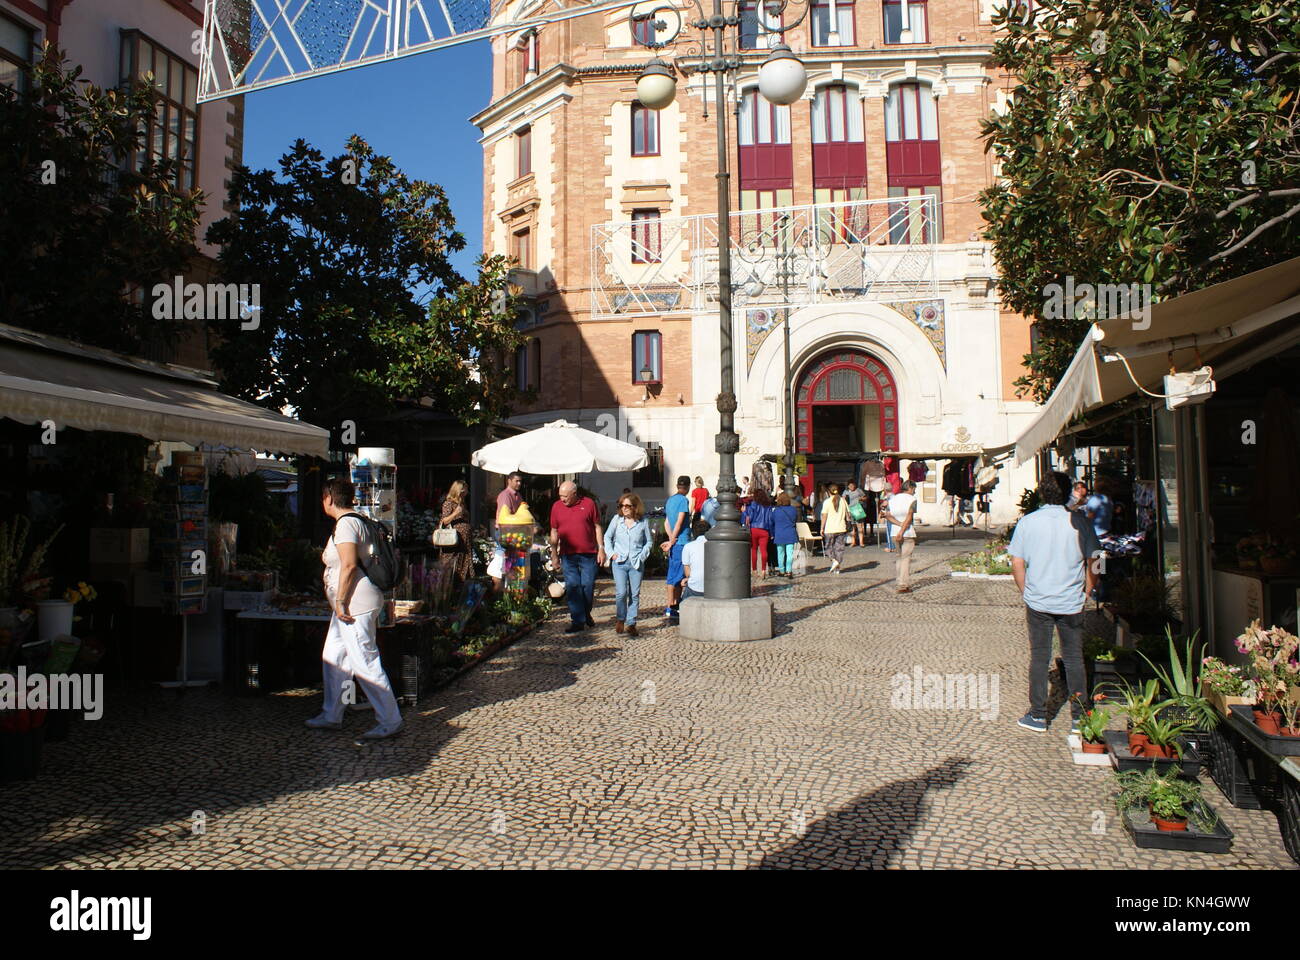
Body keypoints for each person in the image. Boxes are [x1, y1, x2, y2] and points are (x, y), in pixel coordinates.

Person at [306, 478, 403, 740]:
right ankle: (331, 713)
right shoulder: (357, 521)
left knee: (364, 661)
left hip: (353, 605)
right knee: (334, 657)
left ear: (328, 498)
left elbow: (348, 565)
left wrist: (339, 601)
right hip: (352, 605)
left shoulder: (346, 524)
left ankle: (390, 719)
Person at [1008, 472, 1101, 733]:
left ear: (1041, 493)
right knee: (1073, 658)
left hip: (1038, 599)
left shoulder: (1028, 522)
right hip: (1071, 599)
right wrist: (1092, 586)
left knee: (1039, 657)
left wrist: (1025, 590)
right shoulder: (1080, 522)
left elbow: (1017, 561)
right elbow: (1097, 556)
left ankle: (1038, 715)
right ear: (1069, 493)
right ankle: (1080, 716)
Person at [549, 481, 605, 633]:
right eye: (560, 495)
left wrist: (601, 548)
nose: (562, 499)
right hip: (568, 554)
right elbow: (554, 531)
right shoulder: (556, 507)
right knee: (573, 586)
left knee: (588, 585)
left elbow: (597, 526)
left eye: (565, 496)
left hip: (589, 553)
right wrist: (554, 553)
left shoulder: (589, 504)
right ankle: (578, 621)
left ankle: (585, 613)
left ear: (575, 494)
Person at [603, 492, 652, 637]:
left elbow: (648, 542)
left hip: (636, 563)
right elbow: (607, 536)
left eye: (627, 506)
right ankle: (620, 618)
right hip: (619, 562)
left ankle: (631, 623)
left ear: (635, 507)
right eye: (622, 505)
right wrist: (611, 553)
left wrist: (642, 556)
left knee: (634, 594)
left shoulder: (643, 522)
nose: (624, 508)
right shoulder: (617, 520)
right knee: (621, 593)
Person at [496, 472, 535, 596]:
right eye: (516, 481)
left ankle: (518, 593)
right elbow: (506, 518)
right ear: (509, 481)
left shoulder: (518, 496)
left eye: (520, 481)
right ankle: (508, 594)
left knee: (519, 566)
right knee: (508, 566)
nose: (519, 484)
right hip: (507, 534)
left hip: (517, 535)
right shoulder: (505, 495)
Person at [662, 475, 693, 622]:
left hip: (675, 542)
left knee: (676, 574)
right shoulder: (683, 500)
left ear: (677, 485)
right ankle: (671, 605)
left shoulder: (670, 500)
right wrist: (673, 540)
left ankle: (676, 604)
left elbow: (667, 522)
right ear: (687, 486)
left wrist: (669, 538)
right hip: (682, 542)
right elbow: (680, 522)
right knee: (676, 575)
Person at [435, 479, 472, 586]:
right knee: (451, 565)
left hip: (464, 542)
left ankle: (460, 586)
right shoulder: (448, 503)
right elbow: (444, 521)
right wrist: (455, 513)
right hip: (453, 541)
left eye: (466, 490)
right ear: (458, 490)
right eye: (464, 490)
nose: (466, 492)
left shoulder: (462, 503)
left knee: (463, 564)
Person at [886, 480, 918, 592]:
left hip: (894, 532)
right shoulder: (912, 500)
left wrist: (899, 526)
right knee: (905, 559)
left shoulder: (892, 499)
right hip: (907, 533)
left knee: (899, 558)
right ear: (910, 488)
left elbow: (888, 516)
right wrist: (902, 530)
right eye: (914, 489)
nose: (914, 491)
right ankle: (903, 585)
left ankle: (899, 581)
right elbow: (909, 517)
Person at [743, 487, 775, 579]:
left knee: (754, 550)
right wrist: (771, 533)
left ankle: (754, 570)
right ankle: (764, 570)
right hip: (764, 530)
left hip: (754, 529)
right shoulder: (768, 506)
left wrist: (744, 513)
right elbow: (770, 520)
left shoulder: (754, 504)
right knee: (764, 551)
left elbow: (751, 517)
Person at [679, 517, 711, 600]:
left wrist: (688, 579)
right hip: (713, 589)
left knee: (685, 599)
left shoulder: (688, 547)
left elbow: (688, 572)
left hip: (695, 589)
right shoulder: (715, 546)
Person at [820, 483, 850, 574]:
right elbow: (848, 515)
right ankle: (837, 567)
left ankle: (834, 561)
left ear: (829, 492)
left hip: (829, 529)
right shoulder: (843, 500)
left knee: (829, 547)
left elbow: (824, 516)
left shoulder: (827, 502)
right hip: (841, 528)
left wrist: (822, 528)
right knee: (839, 548)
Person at [772, 492, 799, 578]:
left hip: (779, 534)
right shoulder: (793, 509)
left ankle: (782, 571)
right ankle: (789, 571)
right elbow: (795, 519)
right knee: (789, 554)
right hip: (790, 534)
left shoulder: (776, 510)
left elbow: (772, 521)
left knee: (780, 553)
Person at [845, 479, 865, 547]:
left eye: (853, 485)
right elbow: (842, 500)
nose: (852, 486)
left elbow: (865, 497)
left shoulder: (859, 490)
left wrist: (861, 499)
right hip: (850, 510)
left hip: (858, 509)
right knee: (852, 527)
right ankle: (853, 542)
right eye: (850, 485)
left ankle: (861, 542)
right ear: (848, 486)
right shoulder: (846, 492)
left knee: (860, 526)